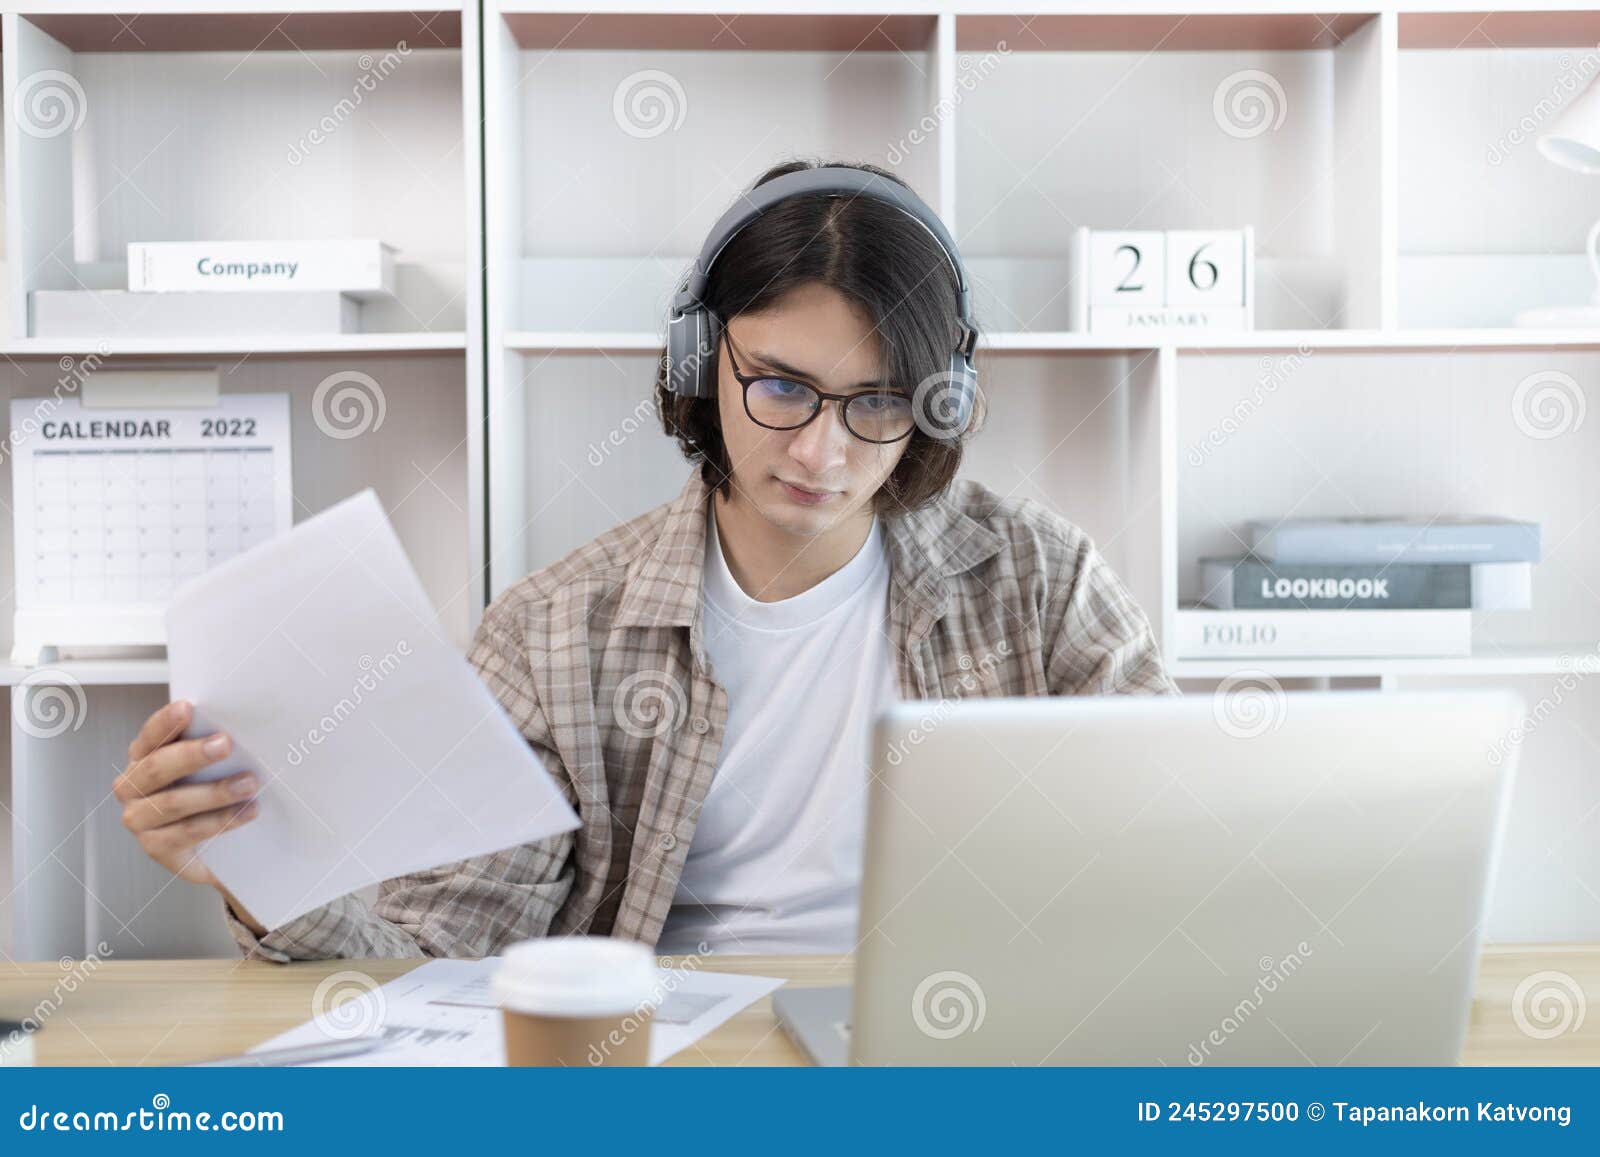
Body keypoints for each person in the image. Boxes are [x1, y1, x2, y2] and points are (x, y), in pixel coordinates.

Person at [113, 158, 1177, 962]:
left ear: (939, 400)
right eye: (782, 386)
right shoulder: (552, 631)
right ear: (696, 360)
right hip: (673, 1054)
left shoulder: (1039, 579)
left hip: (960, 1033)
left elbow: (1176, 841)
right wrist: (261, 876)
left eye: (878, 401)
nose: (821, 451)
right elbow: (444, 952)